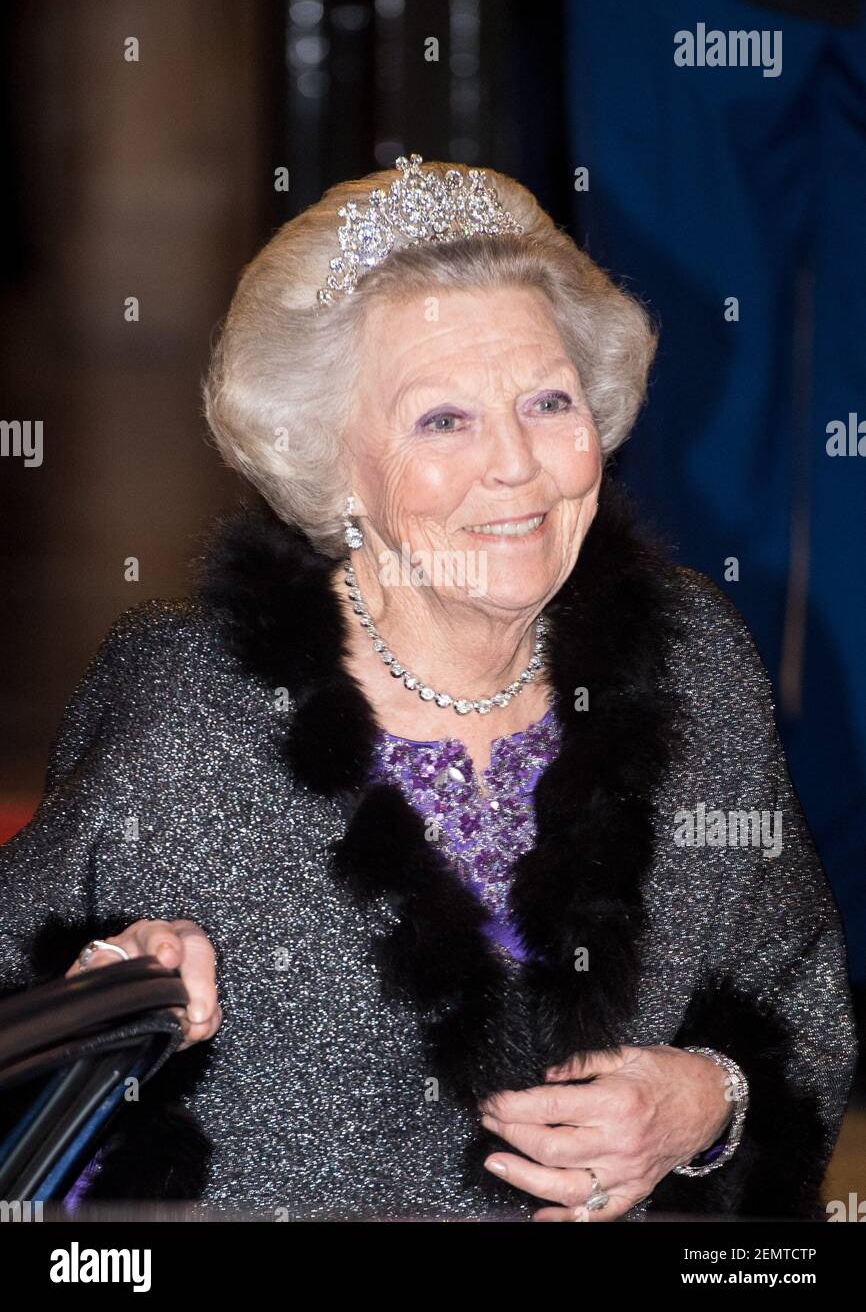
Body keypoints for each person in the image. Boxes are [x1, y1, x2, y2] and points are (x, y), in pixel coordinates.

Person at [0, 154, 857, 1221]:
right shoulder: (190, 706)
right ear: (329, 463)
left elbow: (799, 1001)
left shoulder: (691, 664)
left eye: (547, 401)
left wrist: (708, 1100)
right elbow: (20, 1030)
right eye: (441, 420)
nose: (516, 467)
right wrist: (110, 1003)